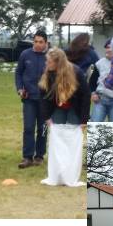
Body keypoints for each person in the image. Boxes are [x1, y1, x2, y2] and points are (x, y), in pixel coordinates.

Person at [39, 47, 89, 187]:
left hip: (74, 108)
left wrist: (84, 120)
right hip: (57, 108)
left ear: (58, 62)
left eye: (49, 62)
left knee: (72, 139)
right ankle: (58, 174)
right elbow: (43, 96)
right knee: (57, 138)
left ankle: (70, 174)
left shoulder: (76, 72)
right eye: (47, 61)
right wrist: (47, 117)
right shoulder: (48, 74)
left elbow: (86, 96)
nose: (47, 64)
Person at [15, 30, 49, 168]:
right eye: (35, 41)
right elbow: (18, 72)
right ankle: (27, 157)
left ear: (46, 43)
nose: (38, 44)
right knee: (28, 127)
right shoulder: (25, 54)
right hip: (29, 98)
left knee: (43, 128)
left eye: (41, 42)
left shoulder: (50, 56)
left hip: (45, 100)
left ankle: (39, 156)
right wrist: (20, 88)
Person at [89, 39, 113, 122]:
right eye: (107, 47)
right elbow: (92, 82)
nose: (108, 49)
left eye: (111, 47)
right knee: (95, 128)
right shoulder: (99, 64)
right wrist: (93, 93)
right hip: (100, 100)